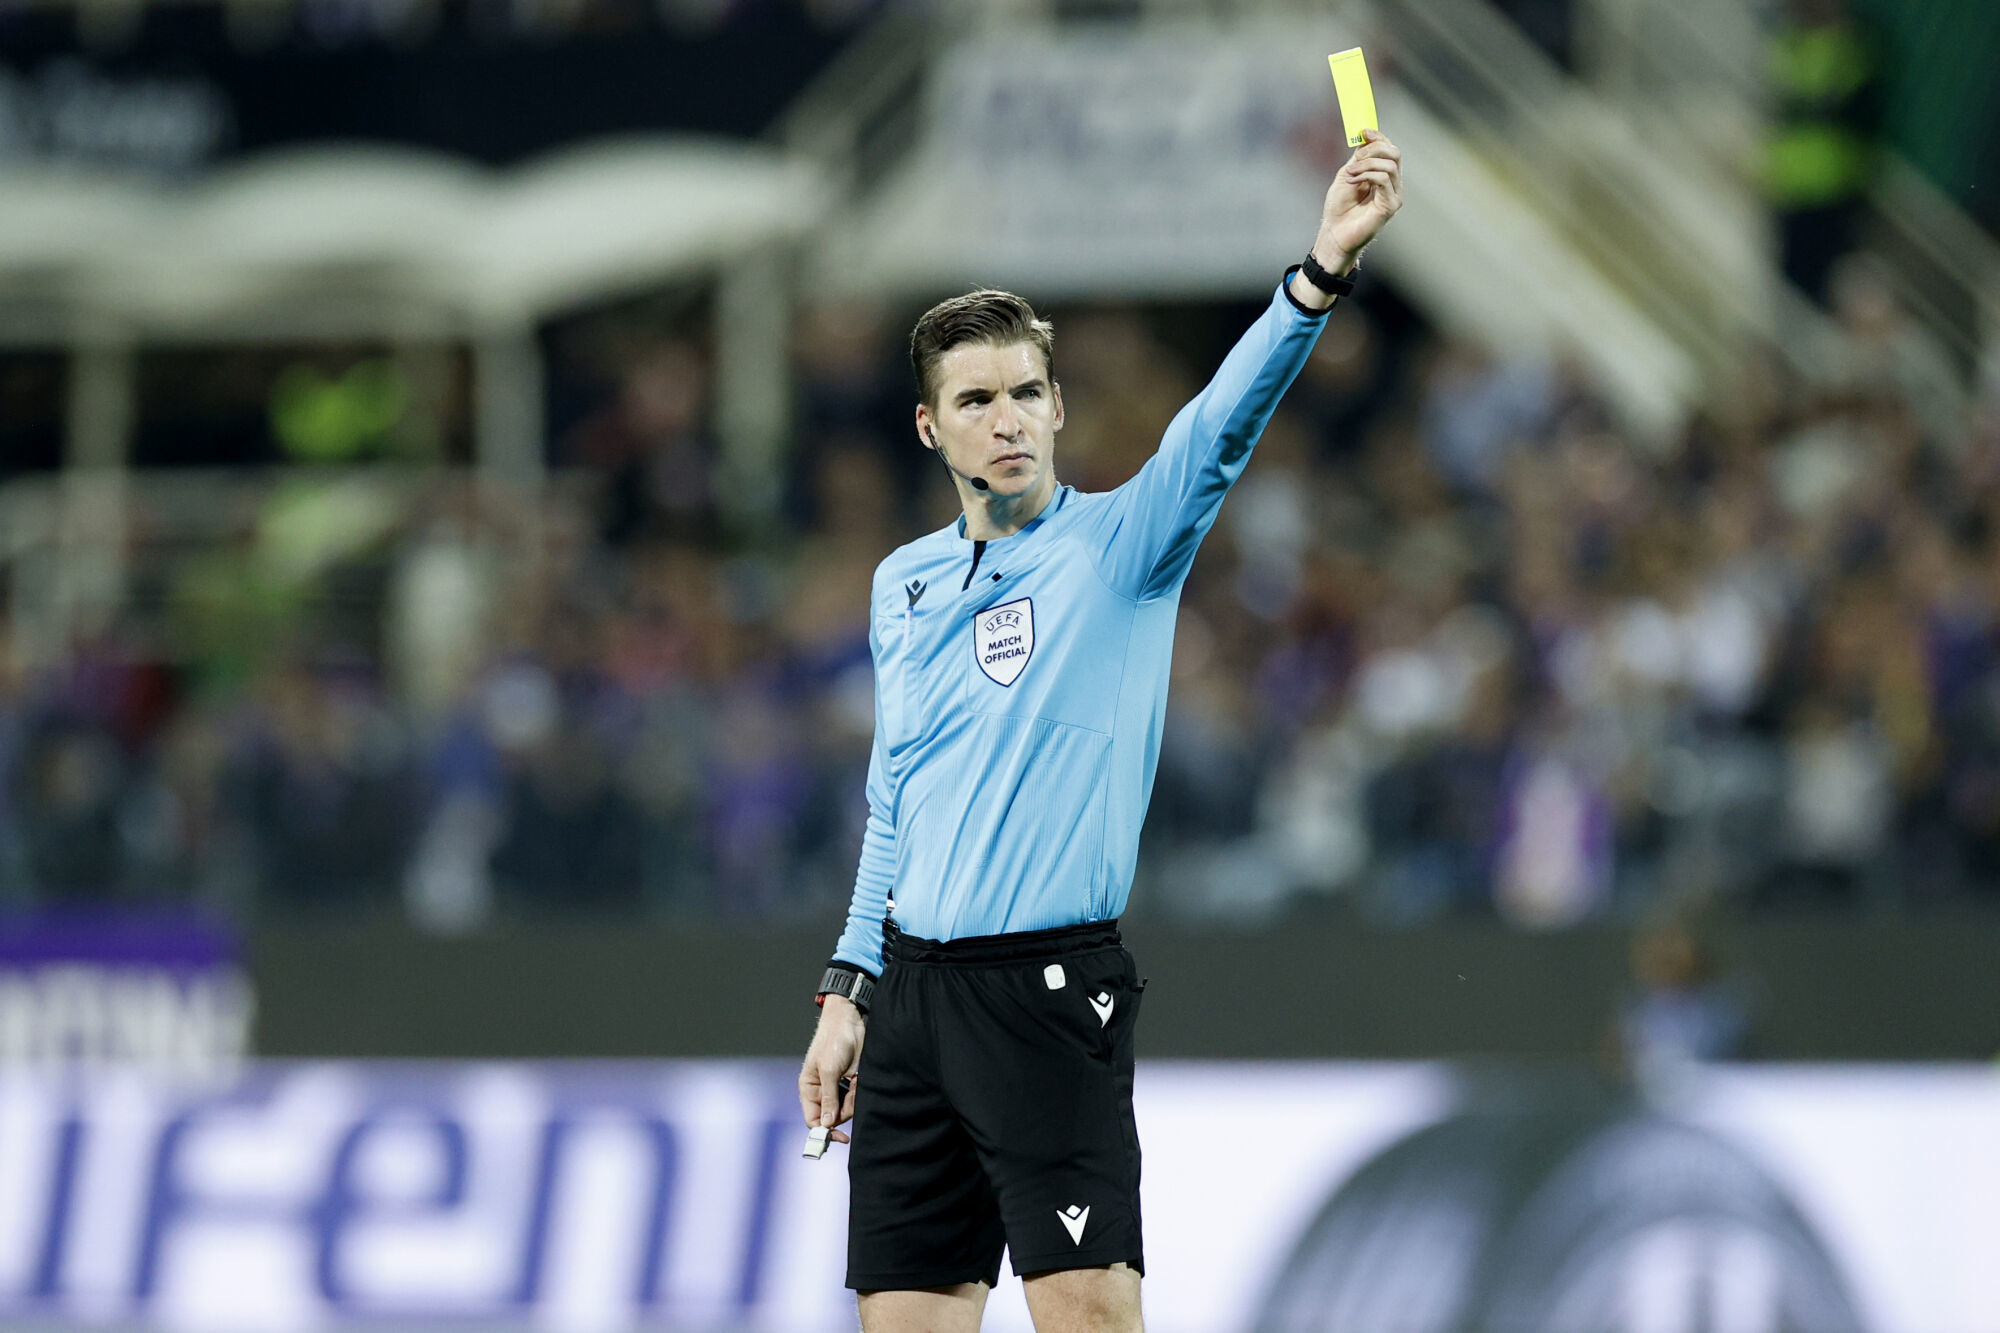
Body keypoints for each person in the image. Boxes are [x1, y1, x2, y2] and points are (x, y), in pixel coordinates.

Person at [800, 128, 1406, 1332]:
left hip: (1045, 986)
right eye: (975, 400)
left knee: (1086, 1311)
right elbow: (894, 802)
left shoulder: (1121, 547)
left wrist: (1318, 272)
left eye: (1026, 393)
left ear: (1059, 405)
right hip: (911, 999)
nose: (1006, 419)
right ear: (932, 430)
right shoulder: (901, 583)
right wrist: (846, 988)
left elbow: (1219, 425)